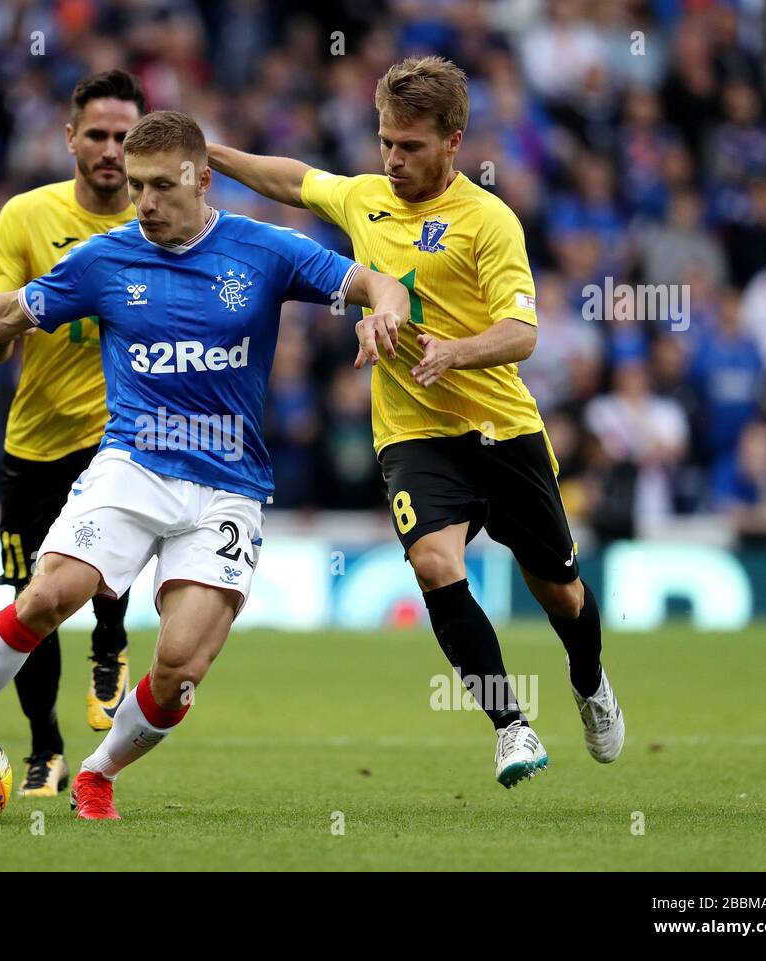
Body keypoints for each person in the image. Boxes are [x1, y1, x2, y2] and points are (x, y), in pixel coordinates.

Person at [0, 110, 410, 819]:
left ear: (203, 180)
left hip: (228, 489)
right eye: (136, 186)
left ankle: (98, 772)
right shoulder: (105, 259)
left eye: (162, 186)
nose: (145, 203)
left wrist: (382, 310)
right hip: (133, 464)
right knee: (45, 597)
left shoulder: (263, 249)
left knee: (179, 667)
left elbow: (380, 282)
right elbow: (4, 314)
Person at [208, 55, 624, 788]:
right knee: (435, 563)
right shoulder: (367, 197)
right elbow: (291, 179)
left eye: (411, 146)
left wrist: (459, 352)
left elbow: (523, 331)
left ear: (453, 142)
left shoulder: (488, 222)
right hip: (412, 433)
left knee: (560, 591)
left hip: (500, 427)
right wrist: (205, 152)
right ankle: (511, 725)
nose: (393, 160)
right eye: (385, 142)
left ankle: (588, 679)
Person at [0, 71, 145, 798]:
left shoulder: (157, 218)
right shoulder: (26, 217)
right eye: (98, 135)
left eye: (125, 138)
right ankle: (45, 744)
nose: (111, 150)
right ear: (71, 137)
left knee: (106, 565)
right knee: (28, 601)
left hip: (119, 436)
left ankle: (111, 639)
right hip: (34, 440)